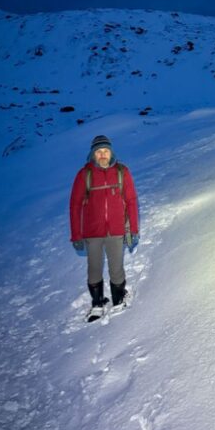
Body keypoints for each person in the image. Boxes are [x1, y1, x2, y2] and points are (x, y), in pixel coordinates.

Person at [69, 135, 139, 321]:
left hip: (116, 230)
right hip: (92, 232)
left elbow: (131, 201)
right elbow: (75, 206)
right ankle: (97, 304)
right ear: (93, 154)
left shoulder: (122, 172)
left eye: (106, 151)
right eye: (98, 151)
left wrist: (133, 230)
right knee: (94, 268)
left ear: (111, 153)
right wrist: (76, 235)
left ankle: (118, 298)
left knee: (116, 268)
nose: (102, 155)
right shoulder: (84, 175)